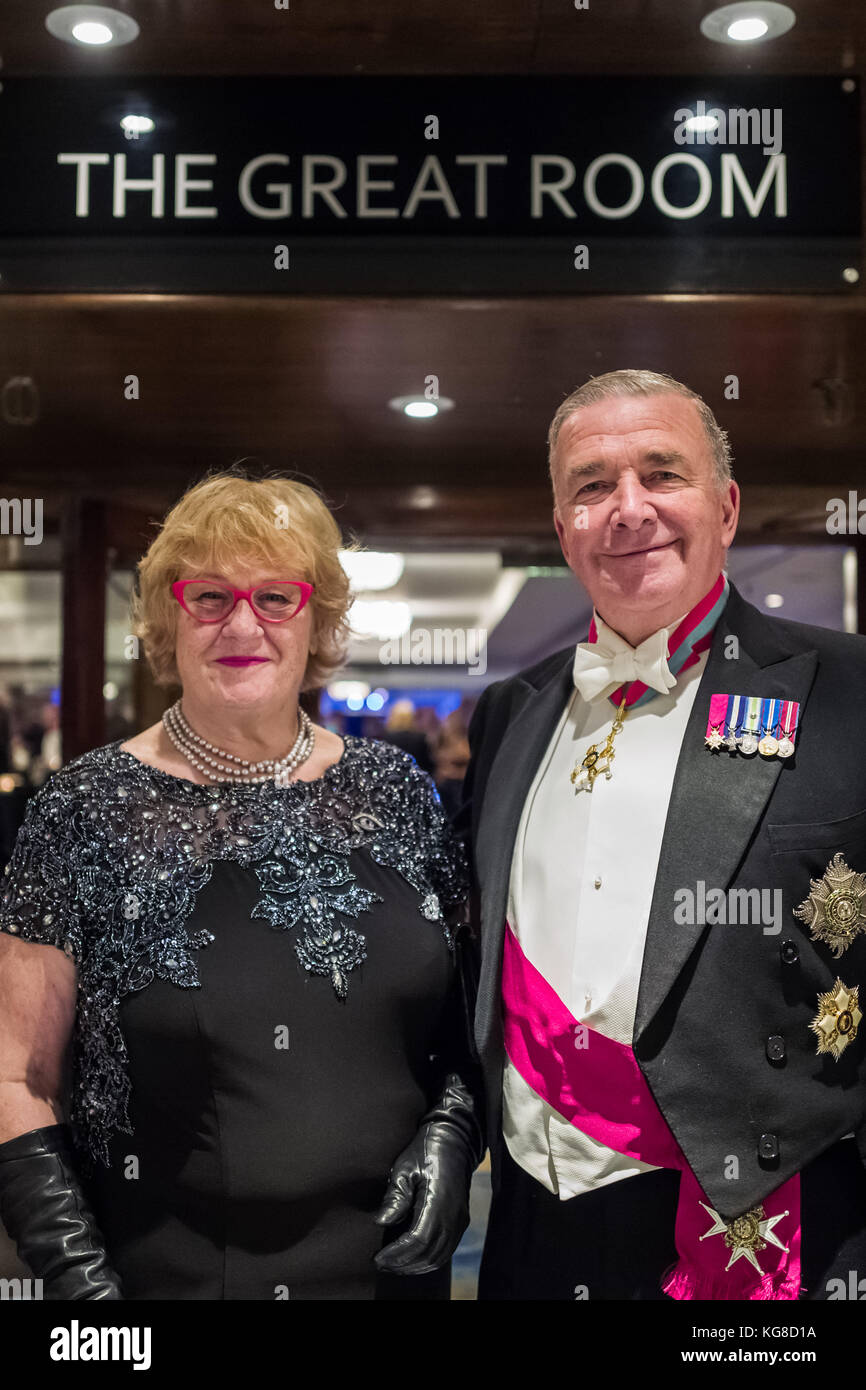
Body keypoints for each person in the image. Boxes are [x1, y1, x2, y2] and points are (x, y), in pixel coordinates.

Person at [0, 469, 483, 1301]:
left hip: (398, 1271)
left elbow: (465, 1019)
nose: (243, 625)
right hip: (174, 1278)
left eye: (276, 597)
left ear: (317, 619)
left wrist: (453, 1128)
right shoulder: (83, 809)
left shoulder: (397, 790)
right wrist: (85, 1290)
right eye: (210, 597)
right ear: (167, 619)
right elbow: (17, 1078)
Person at [459, 368, 866, 1301]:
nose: (627, 509)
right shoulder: (509, 716)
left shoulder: (850, 691)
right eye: (591, 486)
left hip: (759, 1228)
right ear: (562, 527)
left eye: (660, 473)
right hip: (526, 1224)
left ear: (726, 507)